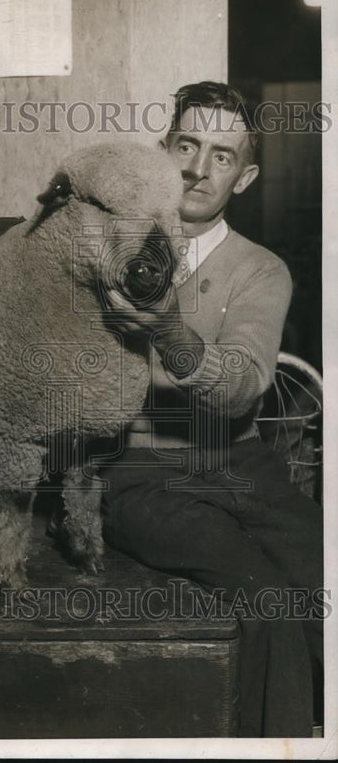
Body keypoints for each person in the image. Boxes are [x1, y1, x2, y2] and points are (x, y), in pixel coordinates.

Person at [100, 81, 323, 737]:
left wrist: (168, 330)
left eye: (222, 155)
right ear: (162, 151)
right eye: (187, 145)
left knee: (324, 579)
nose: (199, 167)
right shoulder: (103, 254)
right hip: (140, 469)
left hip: (242, 460)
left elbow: (246, 386)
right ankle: (278, 743)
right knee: (267, 600)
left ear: (245, 176)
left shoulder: (261, 270)